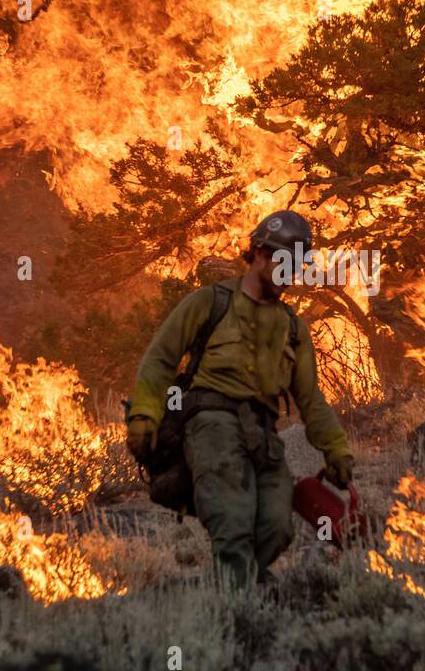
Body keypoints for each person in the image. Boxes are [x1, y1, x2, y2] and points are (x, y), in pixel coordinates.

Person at [126, 211, 355, 588]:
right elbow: (160, 359)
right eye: (284, 263)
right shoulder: (209, 302)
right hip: (210, 423)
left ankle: (224, 590)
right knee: (232, 521)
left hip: (263, 436)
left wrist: (336, 449)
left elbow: (311, 399)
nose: (290, 274)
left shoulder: (293, 329)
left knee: (276, 527)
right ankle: (235, 618)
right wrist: (145, 415)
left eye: (297, 266)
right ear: (260, 254)